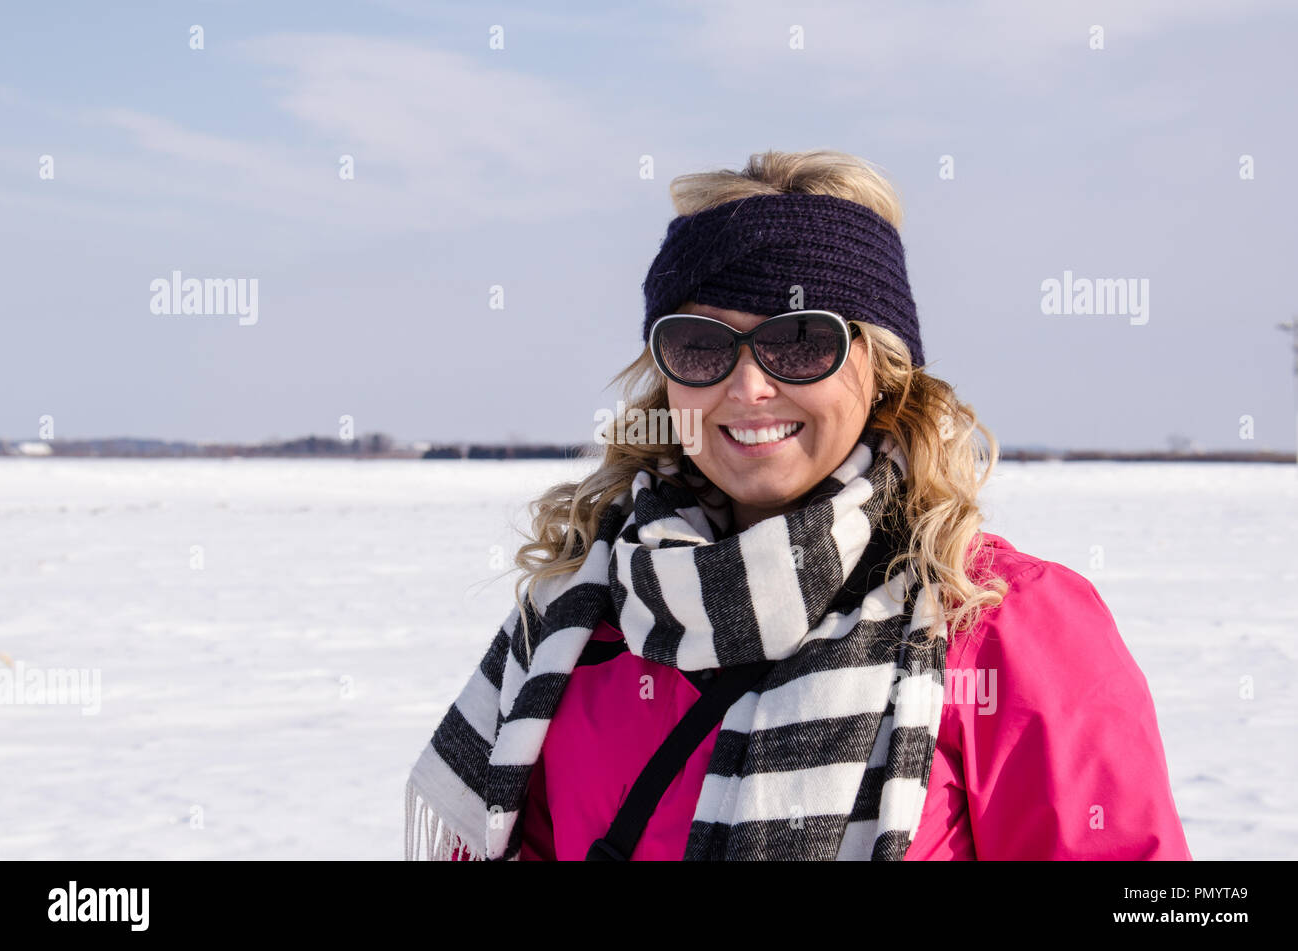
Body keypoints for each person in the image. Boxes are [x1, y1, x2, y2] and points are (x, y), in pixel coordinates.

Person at [404, 148, 1192, 861]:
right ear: (666, 373)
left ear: (883, 366)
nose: (748, 388)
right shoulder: (581, 622)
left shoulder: (997, 623)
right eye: (701, 345)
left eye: (800, 340)